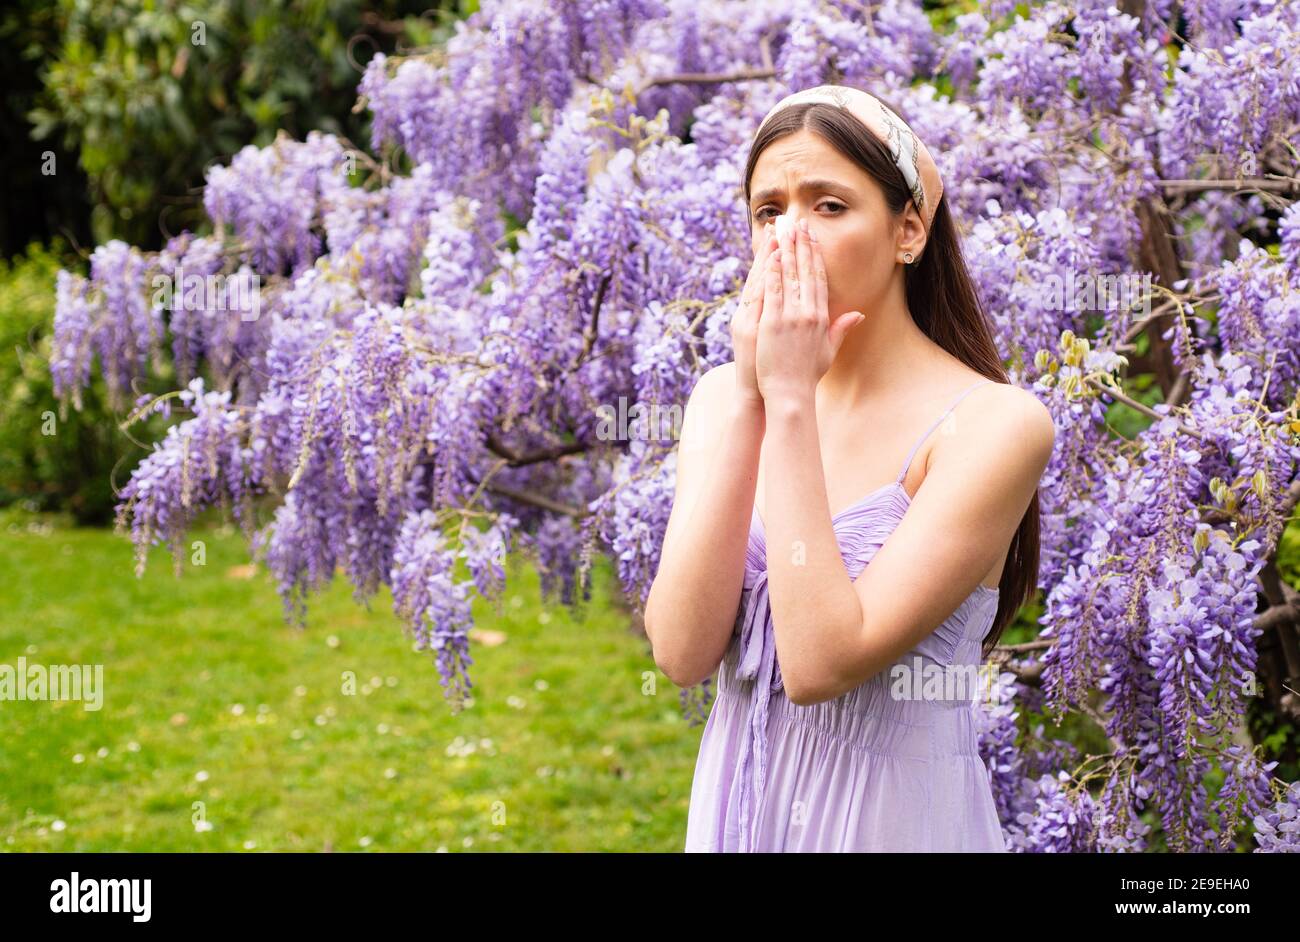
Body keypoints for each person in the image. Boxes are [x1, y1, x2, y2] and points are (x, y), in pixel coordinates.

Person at [642, 84, 1055, 852]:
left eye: (828, 206)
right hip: (738, 815)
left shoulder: (995, 426)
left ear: (907, 231)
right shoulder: (718, 403)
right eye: (770, 211)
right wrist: (751, 398)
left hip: (890, 822)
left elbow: (820, 663)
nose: (789, 239)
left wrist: (789, 400)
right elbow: (681, 650)